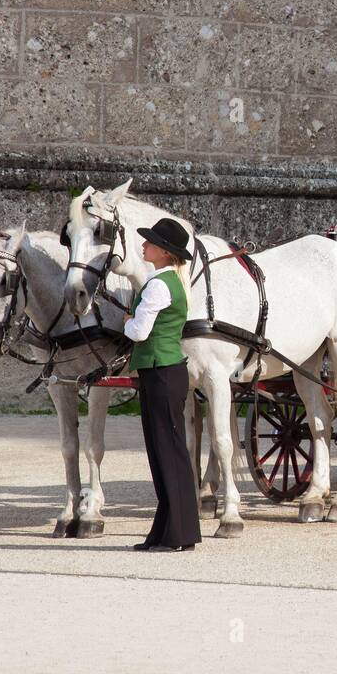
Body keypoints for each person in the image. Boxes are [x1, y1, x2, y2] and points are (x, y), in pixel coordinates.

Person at [123, 217, 201, 552]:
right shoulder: (174, 282)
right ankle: (171, 531)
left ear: (166, 253)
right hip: (168, 372)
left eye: (150, 242)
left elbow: (140, 333)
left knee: (166, 453)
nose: (144, 245)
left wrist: (126, 321)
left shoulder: (157, 285)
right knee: (168, 452)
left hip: (160, 372)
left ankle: (177, 534)